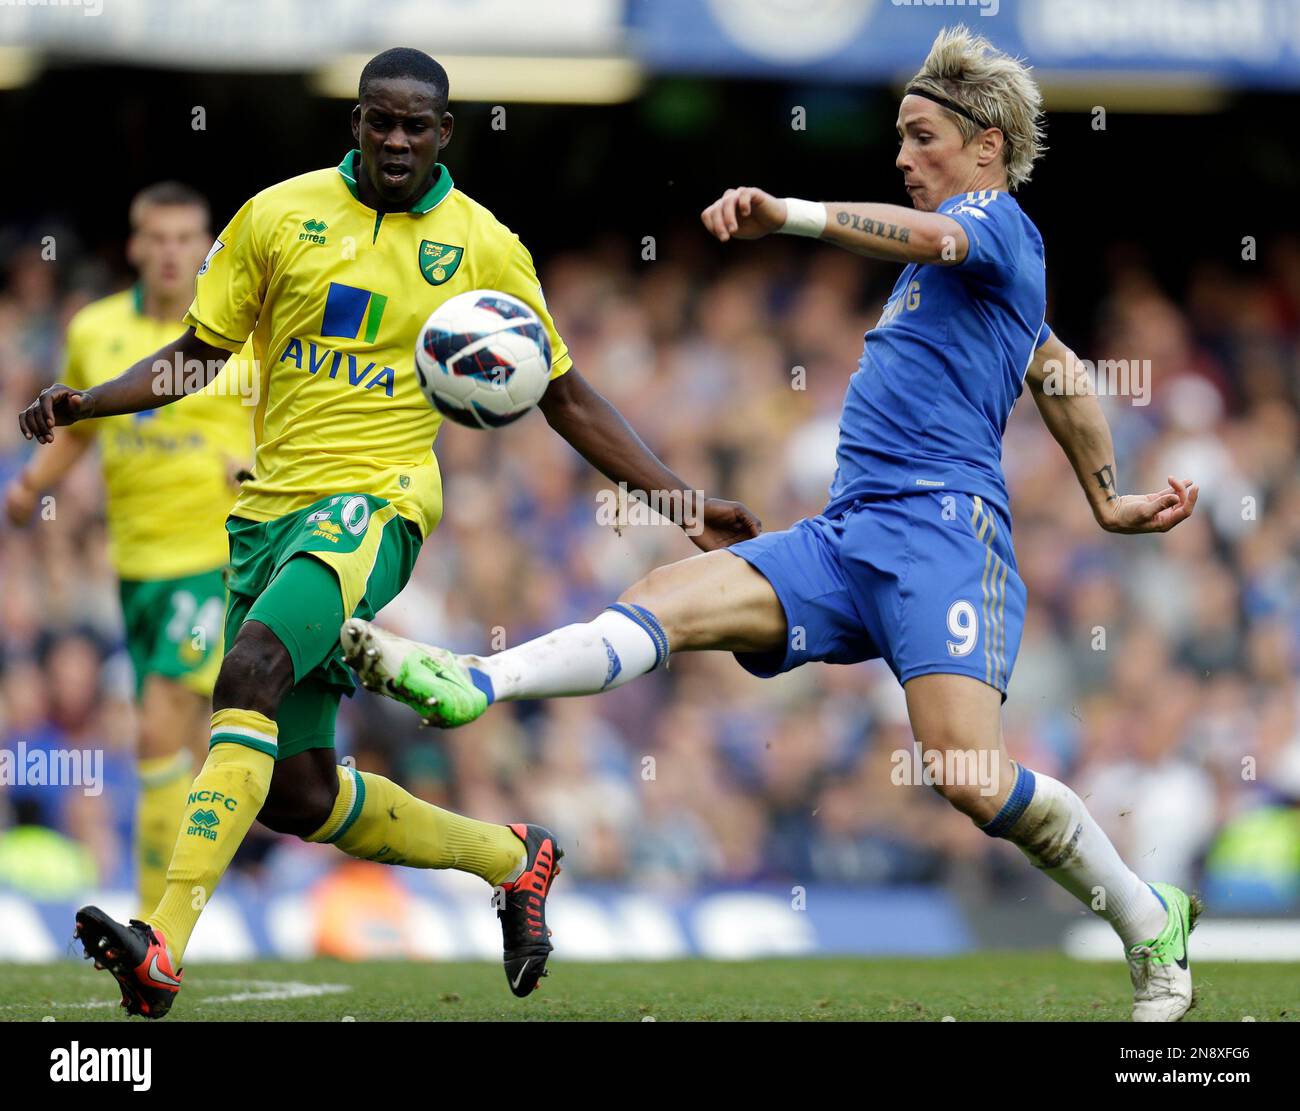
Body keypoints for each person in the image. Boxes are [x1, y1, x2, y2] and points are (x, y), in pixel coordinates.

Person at [343, 27, 1204, 1022]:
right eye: (898, 137)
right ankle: (472, 679)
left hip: (943, 540)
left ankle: (1147, 919)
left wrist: (786, 213)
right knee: (669, 597)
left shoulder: (994, 227)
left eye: (919, 136)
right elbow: (1052, 369)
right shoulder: (970, 277)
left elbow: (938, 244)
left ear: (986, 145)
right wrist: (1104, 493)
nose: (900, 155)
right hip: (846, 537)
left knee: (967, 776)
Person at [18, 47, 758, 1017]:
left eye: (417, 124)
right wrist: (93, 403)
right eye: (380, 120)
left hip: (378, 504)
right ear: (356, 123)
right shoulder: (276, 216)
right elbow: (199, 357)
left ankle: (160, 946)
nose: (397, 138)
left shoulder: (483, 247)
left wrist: (678, 500)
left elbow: (565, 395)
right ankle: (514, 856)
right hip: (267, 513)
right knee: (299, 794)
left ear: (445, 133)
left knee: (249, 670)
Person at [5, 182, 252, 918]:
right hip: (136, 568)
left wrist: (252, 473)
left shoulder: (241, 335)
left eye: (188, 238)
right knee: (156, 752)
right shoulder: (97, 331)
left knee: (162, 713)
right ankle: (158, 919)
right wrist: (32, 482)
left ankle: (165, 922)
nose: (174, 252)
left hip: (214, 560)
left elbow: (280, 432)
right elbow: (81, 426)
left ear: (206, 247)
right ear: (137, 246)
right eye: (160, 237)